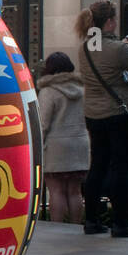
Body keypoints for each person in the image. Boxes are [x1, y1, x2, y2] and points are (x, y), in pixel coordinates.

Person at [76, 0, 128, 237]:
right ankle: (120, 223)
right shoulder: (118, 50)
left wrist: (127, 40)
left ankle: (92, 221)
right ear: (109, 21)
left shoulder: (86, 46)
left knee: (97, 165)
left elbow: (104, 48)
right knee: (121, 168)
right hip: (117, 115)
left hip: (94, 115)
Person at [37, 52, 90, 225]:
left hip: (56, 147)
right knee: (75, 191)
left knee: (56, 190)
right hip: (80, 144)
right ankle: (76, 225)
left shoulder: (48, 91)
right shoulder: (83, 90)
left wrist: (38, 146)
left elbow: (43, 123)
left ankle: (57, 227)